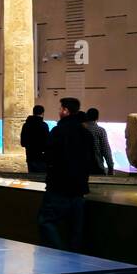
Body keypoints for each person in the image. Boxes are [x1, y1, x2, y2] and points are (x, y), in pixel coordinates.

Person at [37, 97, 96, 251]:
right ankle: (74, 261)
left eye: (60, 109)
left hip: (58, 187)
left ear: (65, 111)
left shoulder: (58, 131)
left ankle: (61, 254)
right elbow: (90, 160)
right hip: (79, 189)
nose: (59, 111)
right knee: (75, 229)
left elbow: (49, 156)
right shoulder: (86, 134)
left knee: (46, 221)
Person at [85, 107, 114, 177]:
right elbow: (106, 150)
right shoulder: (100, 131)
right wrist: (110, 167)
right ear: (97, 117)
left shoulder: (81, 130)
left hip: (82, 168)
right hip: (97, 167)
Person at [20, 104, 50, 174]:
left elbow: (23, 143)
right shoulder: (44, 125)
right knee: (41, 180)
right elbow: (47, 143)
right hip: (41, 158)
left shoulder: (26, 125)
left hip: (30, 156)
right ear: (42, 113)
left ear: (33, 112)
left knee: (32, 180)